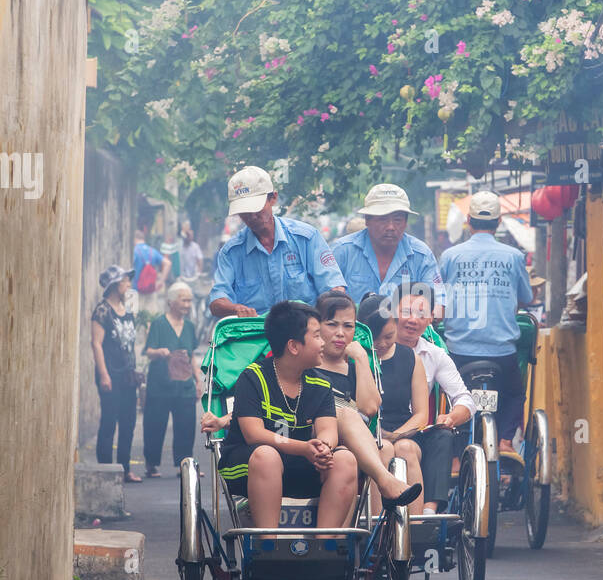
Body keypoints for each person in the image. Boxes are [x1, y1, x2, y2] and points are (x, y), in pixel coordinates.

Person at [217, 301, 356, 533]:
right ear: (293, 346)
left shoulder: (321, 383)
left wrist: (323, 448)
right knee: (267, 455)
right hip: (249, 466)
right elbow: (254, 434)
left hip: (302, 463)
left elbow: (328, 429)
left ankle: (325, 544)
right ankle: (268, 545)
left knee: (345, 460)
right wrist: (303, 448)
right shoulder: (253, 377)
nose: (323, 342)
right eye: (317, 336)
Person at [439, 190, 533, 453]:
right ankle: (505, 441)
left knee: (450, 395)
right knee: (514, 394)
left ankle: (455, 455)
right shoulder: (514, 256)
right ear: (499, 222)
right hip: (502, 353)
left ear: (468, 221)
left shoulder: (450, 256)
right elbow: (526, 297)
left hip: (459, 351)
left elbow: (439, 296)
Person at [315, 291, 422, 512]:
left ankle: (376, 528)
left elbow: (370, 408)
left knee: (384, 449)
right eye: (332, 324)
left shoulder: (355, 366)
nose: (340, 333)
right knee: (345, 414)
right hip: (316, 436)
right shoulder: (308, 360)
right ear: (316, 326)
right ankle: (386, 482)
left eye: (348, 326)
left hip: (351, 442)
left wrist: (362, 358)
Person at [209, 166, 345, 318]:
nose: (251, 216)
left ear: (273, 198)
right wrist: (235, 308)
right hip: (257, 331)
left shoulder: (306, 238)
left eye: (256, 208)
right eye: (244, 211)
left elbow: (334, 289)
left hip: (306, 329)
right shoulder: (231, 253)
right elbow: (217, 301)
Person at [395, 285, 476, 513]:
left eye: (421, 314)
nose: (413, 320)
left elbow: (465, 399)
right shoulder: (375, 348)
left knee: (443, 435)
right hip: (382, 429)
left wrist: (451, 417)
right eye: (406, 312)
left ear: (431, 318)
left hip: (418, 432)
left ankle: (429, 511)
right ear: (392, 312)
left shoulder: (435, 354)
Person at [358, 294, 428, 514]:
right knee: (383, 448)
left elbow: (421, 414)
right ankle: (378, 523)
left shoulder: (411, 358)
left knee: (405, 449)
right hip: (365, 432)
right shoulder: (355, 358)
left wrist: (395, 435)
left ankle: (415, 525)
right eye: (375, 338)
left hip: (404, 431)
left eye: (388, 336)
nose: (381, 344)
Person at [331, 183, 443, 310]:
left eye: (397, 220)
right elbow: (324, 302)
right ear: (367, 220)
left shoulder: (422, 255)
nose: (391, 227)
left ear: (405, 222)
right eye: (383, 219)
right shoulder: (342, 251)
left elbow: (438, 304)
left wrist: (424, 312)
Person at [142, 281, 203, 477]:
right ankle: (151, 464)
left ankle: (184, 465)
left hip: (184, 385)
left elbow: (191, 355)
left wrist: (198, 380)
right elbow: (148, 351)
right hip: (160, 385)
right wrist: (159, 352)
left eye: (189, 301)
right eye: (184, 300)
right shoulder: (159, 324)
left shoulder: (190, 326)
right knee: (154, 424)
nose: (187, 305)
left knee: (186, 425)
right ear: (171, 302)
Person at [90, 264, 141, 484]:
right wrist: (104, 374)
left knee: (128, 423)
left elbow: (130, 343)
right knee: (109, 422)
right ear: (114, 285)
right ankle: (106, 471)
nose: (129, 284)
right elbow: (96, 343)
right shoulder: (102, 310)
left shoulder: (127, 309)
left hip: (128, 375)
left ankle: (124, 469)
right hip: (110, 374)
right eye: (125, 280)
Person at [133, 228, 171, 297]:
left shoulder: (134, 251)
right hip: (150, 291)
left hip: (136, 291)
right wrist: (161, 281)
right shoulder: (152, 251)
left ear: (135, 239)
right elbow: (168, 263)